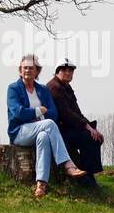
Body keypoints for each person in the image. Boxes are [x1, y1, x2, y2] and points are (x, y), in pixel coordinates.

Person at [6, 54, 87, 198]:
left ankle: (41, 184)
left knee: (44, 136)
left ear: (37, 71)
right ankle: (68, 165)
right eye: (25, 68)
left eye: (31, 68)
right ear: (20, 70)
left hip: (39, 130)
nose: (28, 71)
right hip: (20, 132)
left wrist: (39, 120)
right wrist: (38, 111)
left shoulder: (42, 90)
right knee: (48, 124)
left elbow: (54, 113)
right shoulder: (13, 88)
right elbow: (17, 113)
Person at [46, 59, 104, 188]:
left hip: (68, 126)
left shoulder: (66, 87)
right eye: (64, 70)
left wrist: (91, 126)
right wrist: (87, 127)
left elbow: (76, 111)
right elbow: (66, 114)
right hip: (59, 130)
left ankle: (88, 174)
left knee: (93, 137)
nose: (68, 73)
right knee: (89, 138)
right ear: (57, 72)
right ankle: (87, 178)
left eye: (70, 70)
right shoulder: (54, 87)